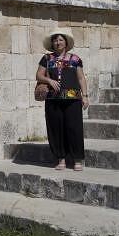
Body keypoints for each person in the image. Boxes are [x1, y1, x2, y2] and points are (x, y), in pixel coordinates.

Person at [36, 29, 89, 171]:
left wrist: (85, 96)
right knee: (56, 129)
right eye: (55, 40)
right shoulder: (47, 59)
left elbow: (81, 78)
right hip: (53, 100)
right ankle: (61, 160)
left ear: (66, 42)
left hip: (73, 100)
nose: (57, 42)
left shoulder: (75, 59)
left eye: (60, 39)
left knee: (74, 129)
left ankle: (77, 160)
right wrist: (49, 80)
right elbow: (38, 75)